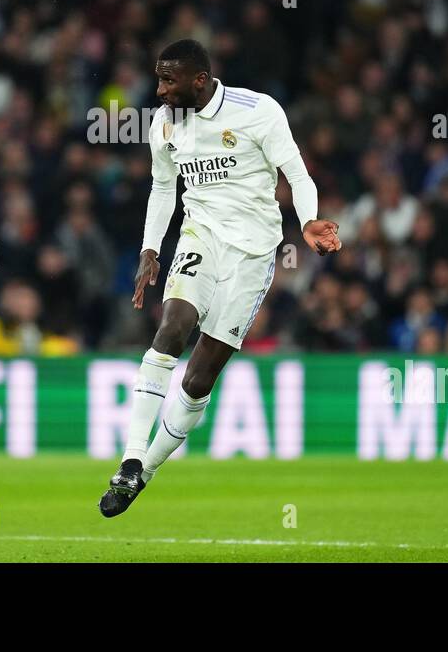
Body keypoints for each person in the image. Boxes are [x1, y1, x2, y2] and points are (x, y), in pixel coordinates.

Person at [99, 40, 341, 517]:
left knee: (198, 377)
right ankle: (129, 459)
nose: (161, 90)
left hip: (252, 252)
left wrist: (309, 220)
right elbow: (163, 187)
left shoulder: (258, 111)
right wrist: (150, 249)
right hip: (200, 236)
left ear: (200, 81)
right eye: (159, 78)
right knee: (170, 329)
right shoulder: (164, 123)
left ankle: (144, 472)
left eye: (170, 80)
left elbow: (297, 172)